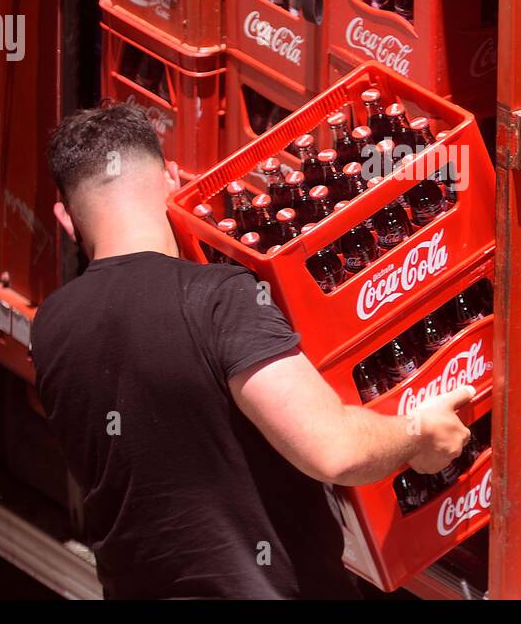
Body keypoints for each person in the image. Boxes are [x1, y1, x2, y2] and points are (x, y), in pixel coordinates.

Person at [30, 103, 473, 598]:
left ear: (65, 218)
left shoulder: (51, 327)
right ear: (173, 180)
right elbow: (335, 450)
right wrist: (419, 435)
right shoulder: (218, 298)